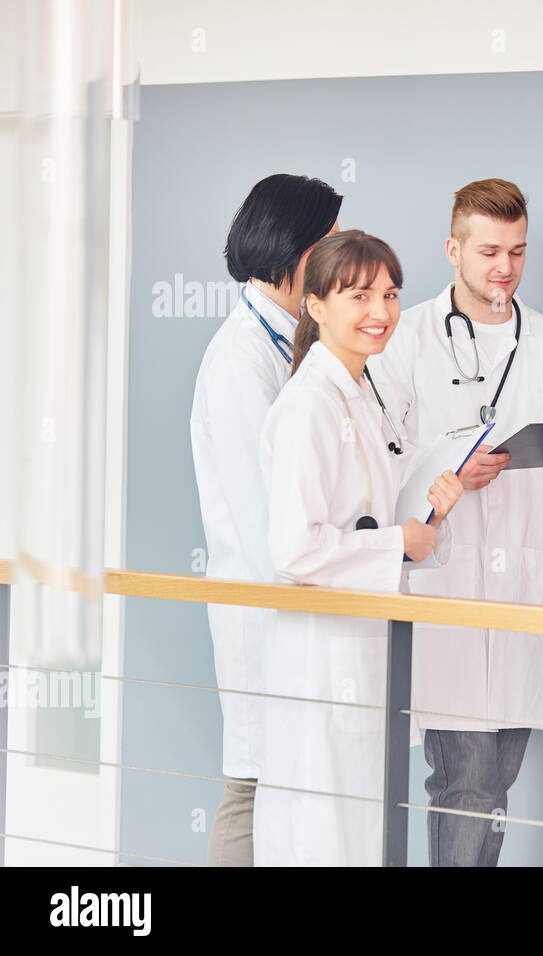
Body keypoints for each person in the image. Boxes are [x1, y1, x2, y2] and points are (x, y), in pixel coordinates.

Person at [367, 178, 543, 867]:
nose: (503, 267)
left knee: (493, 781)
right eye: (488, 252)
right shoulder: (403, 338)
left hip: (524, 590)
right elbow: (380, 459)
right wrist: (447, 473)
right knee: (466, 783)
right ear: (453, 250)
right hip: (446, 589)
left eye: (517, 251)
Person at [254, 230, 463, 866]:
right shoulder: (308, 406)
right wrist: (401, 540)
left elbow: (378, 514)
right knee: (321, 835)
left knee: (362, 833)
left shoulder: (366, 392)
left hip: (368, 647)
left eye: (392, 294)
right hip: (322, 654)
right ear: (315, 305)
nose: (381, 312)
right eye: (360, 295)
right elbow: (295, 550)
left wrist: (430, 512)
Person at [190, 173, 341, 866]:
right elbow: (263, 521)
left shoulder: (294, 341)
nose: (342, 254)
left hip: (301, 612)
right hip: (265, 613)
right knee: (253, 786)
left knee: (285, 787)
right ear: (296, 249)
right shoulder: (239, 361)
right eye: (332, 242)